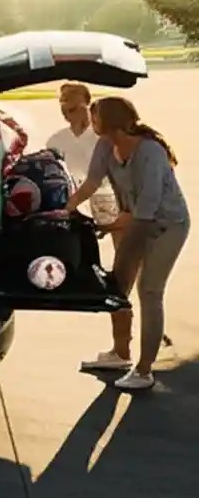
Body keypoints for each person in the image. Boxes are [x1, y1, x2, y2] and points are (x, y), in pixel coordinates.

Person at [64, 96, 189, 390]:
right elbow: (92, 182)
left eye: (94, 118)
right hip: (134, 219)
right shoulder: (105, 146)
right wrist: (67, 209)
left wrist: (110, 225)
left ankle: (144, 371)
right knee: (118, 288)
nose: (90, 123)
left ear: (111, 121)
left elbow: (146, 210)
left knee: (149, 291)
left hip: (166, 225)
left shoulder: (150, 152)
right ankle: (120, 355)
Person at [47, 83, 117, 225]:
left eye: (76, 109)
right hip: (75, 201)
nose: (70, 114)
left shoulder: (104, 137)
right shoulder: (56, 141)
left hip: (108, 197)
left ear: (88, 105)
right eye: (66, 110)